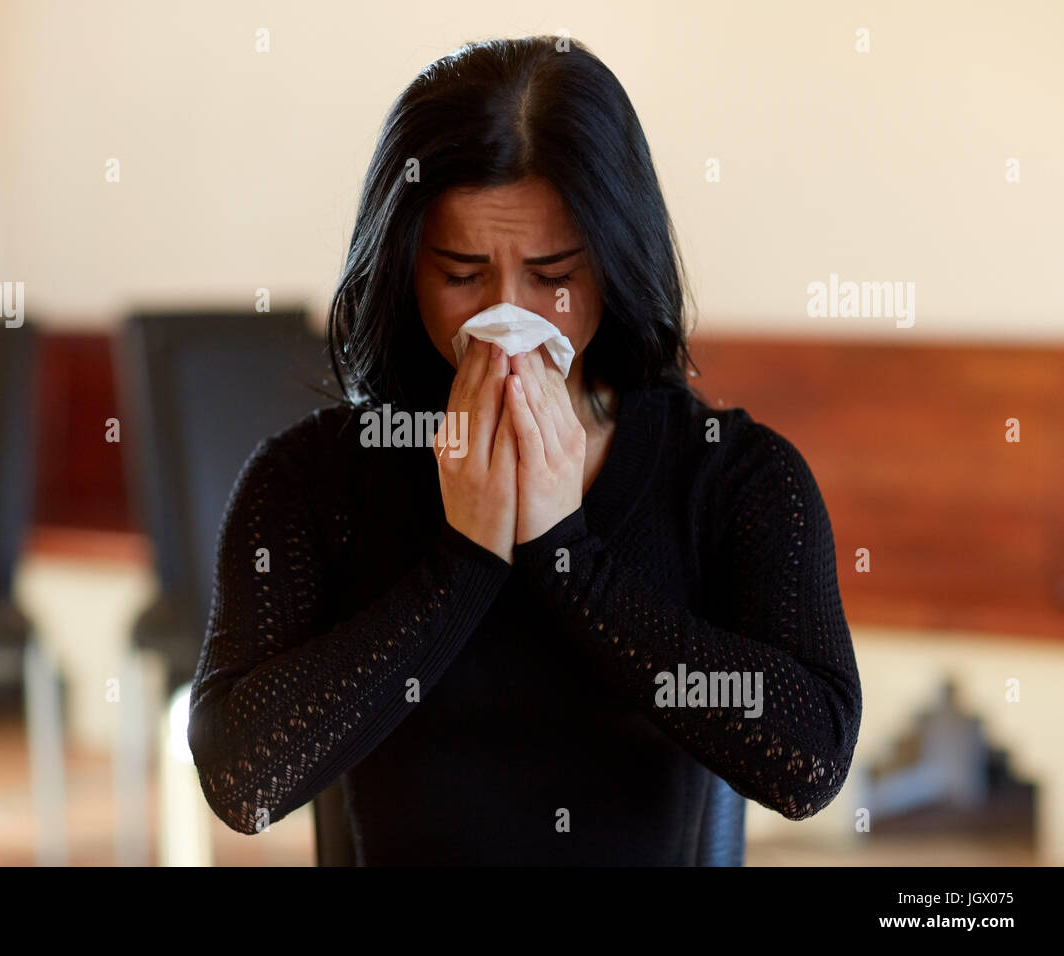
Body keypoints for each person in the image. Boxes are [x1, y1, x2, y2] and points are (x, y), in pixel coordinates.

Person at [188, 35, 863, 865]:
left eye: (554, 275)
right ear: (404, 268)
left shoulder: (730, 476)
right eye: (463, 275)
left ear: (617, 263)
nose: (510, 317)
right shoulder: (314, 478)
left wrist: (565, 553)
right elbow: (240, 782)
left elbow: (812, 763)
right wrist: (464, 560)